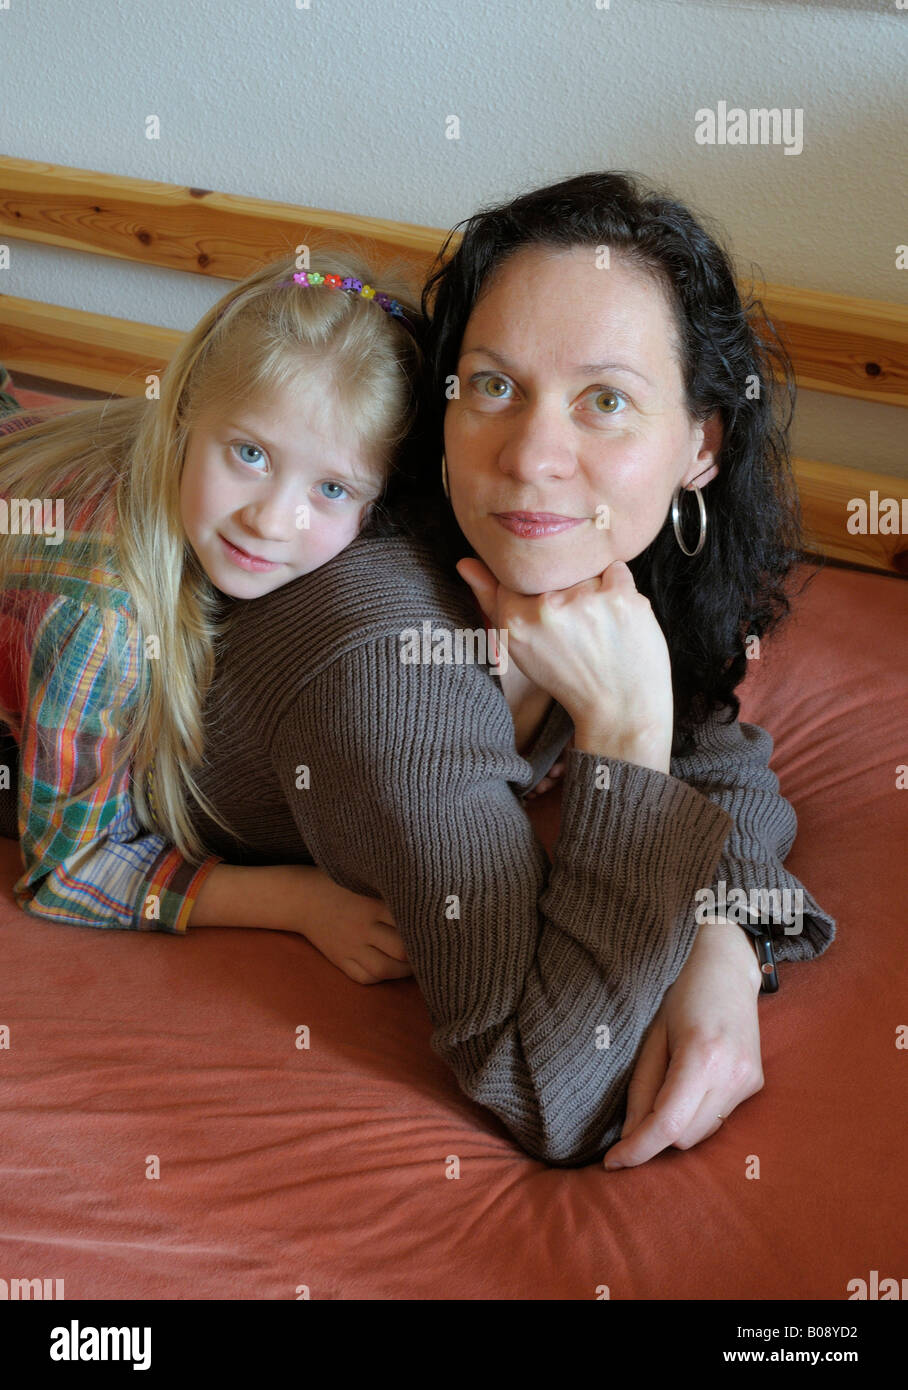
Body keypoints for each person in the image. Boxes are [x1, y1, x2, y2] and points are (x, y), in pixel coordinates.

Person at [177, 171, 836, 1168]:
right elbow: (549, 1084)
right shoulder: (385, 656)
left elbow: (721, 754)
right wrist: (620, 732)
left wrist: (725, 943)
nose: (530, 456)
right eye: (493, 384)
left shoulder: (609, 560)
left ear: (698, 443)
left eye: (604, 401)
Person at [0, 248, 423, 984]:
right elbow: (65, 871)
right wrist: (297, 901)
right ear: (188, 411)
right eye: (251, 453)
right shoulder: (105, 617)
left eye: (331, 489)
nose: (271, 520)